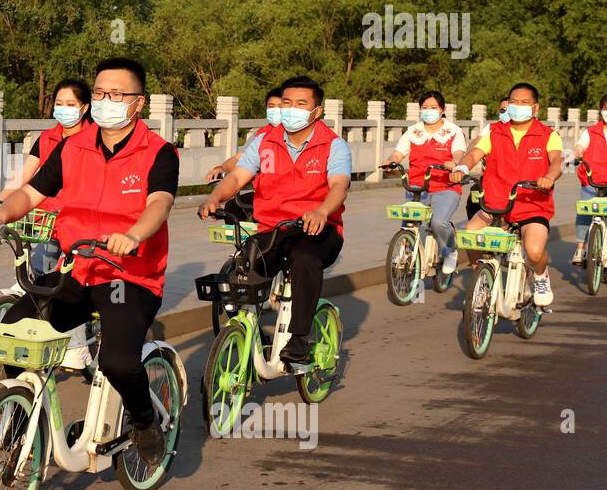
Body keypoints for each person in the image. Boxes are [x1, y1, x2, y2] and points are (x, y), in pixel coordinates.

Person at [0, 56, 178, 466]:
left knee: (119, 361)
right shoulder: (73, 146)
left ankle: (144, 422)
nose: (107, 100)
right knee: (13, 332)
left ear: (138, 103)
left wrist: (135, 235)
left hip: (130, 275)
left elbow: (159, 204)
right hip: (76, 270)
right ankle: (18, 423)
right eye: (102, 92)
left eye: (118, 94)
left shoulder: (158, 153)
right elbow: (31, 193)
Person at [199, 75, 351, 372]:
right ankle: (242, 333)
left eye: (300, 103)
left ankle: (298, 339)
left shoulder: (333, 145)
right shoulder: (264, 141)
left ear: (316, 111)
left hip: (317, 229)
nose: (291, 108)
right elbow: (237, 177)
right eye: (287, 102)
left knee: (304, 258)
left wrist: (321, 212)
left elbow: (339, 186)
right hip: (272, 229)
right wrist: (215, 198)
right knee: (243, 268)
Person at [452, 82, 562, 306]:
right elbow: (474, 153)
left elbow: (557, 161)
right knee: (470, 235)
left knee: (533, 251)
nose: (518, 106)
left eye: (524, 102)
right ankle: (481, 282)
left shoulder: (548, 135)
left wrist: (549, 177)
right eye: (514, 102)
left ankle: (540, 276)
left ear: (535, 108)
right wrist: (462, 167)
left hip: (533, 206)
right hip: (496, 205)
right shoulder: (494, 132)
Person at [0, 78, 92, 275]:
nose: (64, 109)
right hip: (47, 220)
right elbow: (24, 174)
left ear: (84, 108)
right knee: (39, 273)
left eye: (71, 104)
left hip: (80, 221)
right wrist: (1, 198)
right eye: (59, 104)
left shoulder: (96, 139)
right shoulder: (47, 138)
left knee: (75, 279)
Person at [384, 91, 467, 276]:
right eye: (425, 108)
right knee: (409, 223)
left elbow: (459, 152)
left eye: (433, 108)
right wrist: (391, 161)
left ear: (442, 110)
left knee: (438, 222)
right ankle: (406, 253)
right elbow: (399, 153)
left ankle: (449, 251)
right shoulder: (413, 131)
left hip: (445, 186)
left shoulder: (453, 131)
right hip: (416, 186)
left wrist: (454, 163)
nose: (429, 111)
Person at [571, 92, 607, 265]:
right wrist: (574, 155)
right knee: (584, 211)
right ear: (600, 110)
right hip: (591, 179)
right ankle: (580, 249)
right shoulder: (591, 132)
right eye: (606, 108)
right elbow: (579, 147)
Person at [207, 87, 285, 182]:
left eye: (280, 107)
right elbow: (239, 158)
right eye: (271, 106)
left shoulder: (298, 135)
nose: (275, 110)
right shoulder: (261, 135)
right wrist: (223, 168)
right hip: (264, 193)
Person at [465, 96, 510, 221]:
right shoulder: (491, 128)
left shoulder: (524, 129)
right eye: (502, 110)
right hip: (490, 180)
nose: (505, 113)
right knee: (474, 199)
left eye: (509, 110)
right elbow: (474, 146)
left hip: (513, 182)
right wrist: (463, 164)